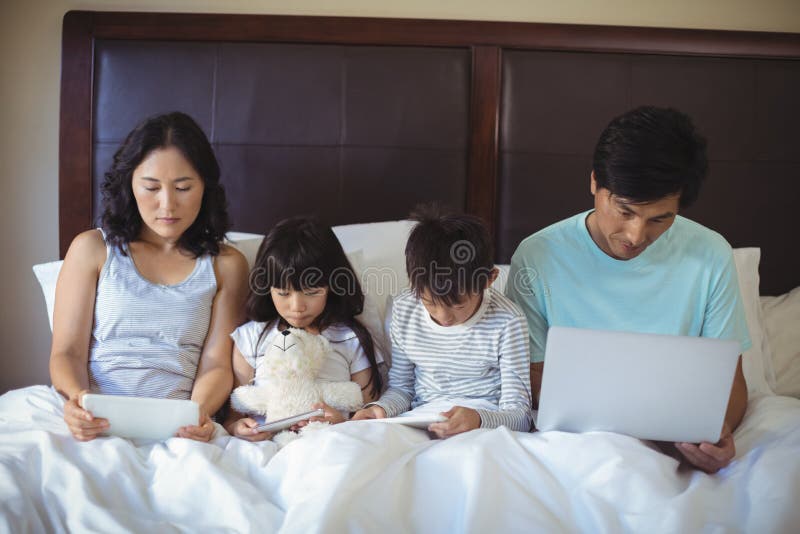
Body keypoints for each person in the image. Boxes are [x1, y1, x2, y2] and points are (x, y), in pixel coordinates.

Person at [505, 106, 750, 473]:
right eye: (625, 211)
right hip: (572, 449)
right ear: (594, 184)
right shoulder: (537, 256)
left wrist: (715, 432)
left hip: (671, 449)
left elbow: (730, 384)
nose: (637, 236)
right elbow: (530, 378)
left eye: (660, 219)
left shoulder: (711, 255)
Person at [50, 112, 249, 442]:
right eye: (151, 187)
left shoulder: (227, 264)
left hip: (178, 426)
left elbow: (216, 363)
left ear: (205, 188)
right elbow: (67, 352)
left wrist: (196, 414)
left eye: (183, 187)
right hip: (97, 419)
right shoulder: (92, 249)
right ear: (130, 184)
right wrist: (78, 402)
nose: (167, 204)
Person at [353, 208, 533, 437]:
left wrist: (478, 419)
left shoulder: (508, 321)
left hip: (484, 423)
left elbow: (520, 415)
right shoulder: (404, 309)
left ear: (489, 279)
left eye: (458, 305)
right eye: (429, 302)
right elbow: (401, 388)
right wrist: (379, 409)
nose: (443, 316)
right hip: (420, 419)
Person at [224, 216, 385, 441]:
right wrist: (238, 428)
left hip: (329, 440)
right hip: (267, 444)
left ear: (332, 286)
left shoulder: (350, 338)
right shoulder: (251, 338)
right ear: (266, 288)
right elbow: (234, 415)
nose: (297, 307)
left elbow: (368, 413)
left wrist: (341, 422)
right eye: (283, 293)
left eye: (311, 292)